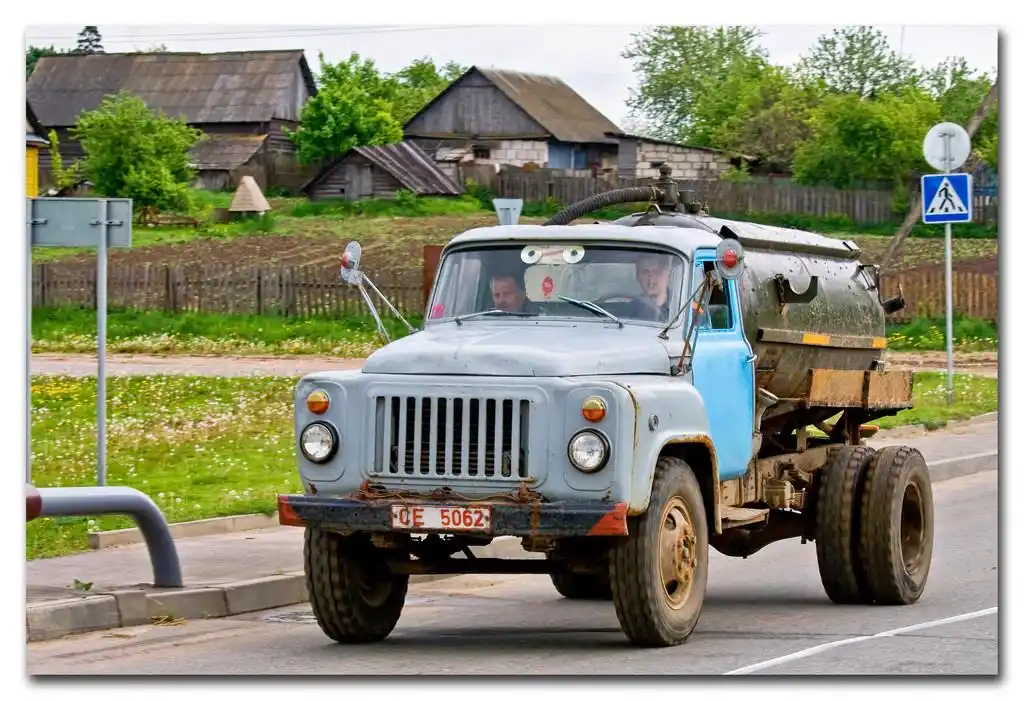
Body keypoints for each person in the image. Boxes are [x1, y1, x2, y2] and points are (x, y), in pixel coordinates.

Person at [622, 254, 673, 322]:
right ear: (638, 276)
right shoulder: (631, 308)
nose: (651, 277)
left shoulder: (681, 305)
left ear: (668, 275)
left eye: (656, 272)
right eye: (645, 272)